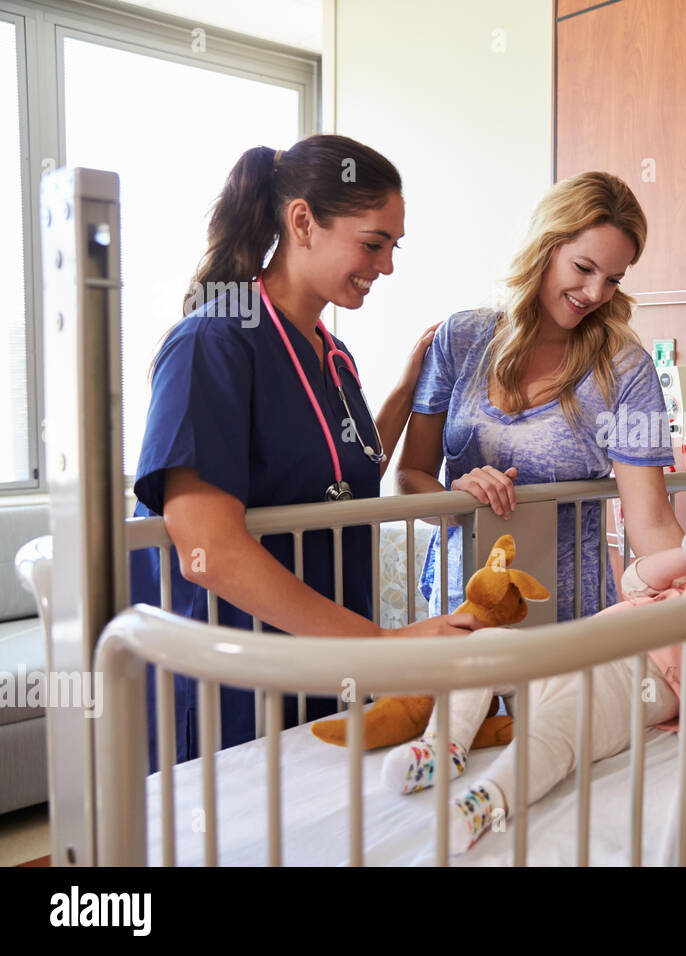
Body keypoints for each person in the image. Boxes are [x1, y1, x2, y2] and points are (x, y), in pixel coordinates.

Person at [130, 134, 480, 770]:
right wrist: (384, 646)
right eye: (373, 243)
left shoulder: (335, 357)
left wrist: (408, 387)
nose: (387, 266)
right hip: (242, 680)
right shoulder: (212, 343)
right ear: (302, 223)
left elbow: (342, 480)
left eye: (393, 247)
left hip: (331, 671)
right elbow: (209, 552)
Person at [376, 521, 686, 855]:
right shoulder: (682, 587)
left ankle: (487, 801)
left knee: (557, 732)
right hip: (572, 649)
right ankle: (443, 747)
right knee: (484, 646)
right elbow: (635, 580)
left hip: (632, 682)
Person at [395, 172, 685, 620]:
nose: (595, 294)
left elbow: (652, 524)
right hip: (462, 606)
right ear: (544, 248)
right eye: (584, 268)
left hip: (569, 615)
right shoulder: (459, 339)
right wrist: (456, 503)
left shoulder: (626, 368)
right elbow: (411, 476)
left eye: (612, 279)